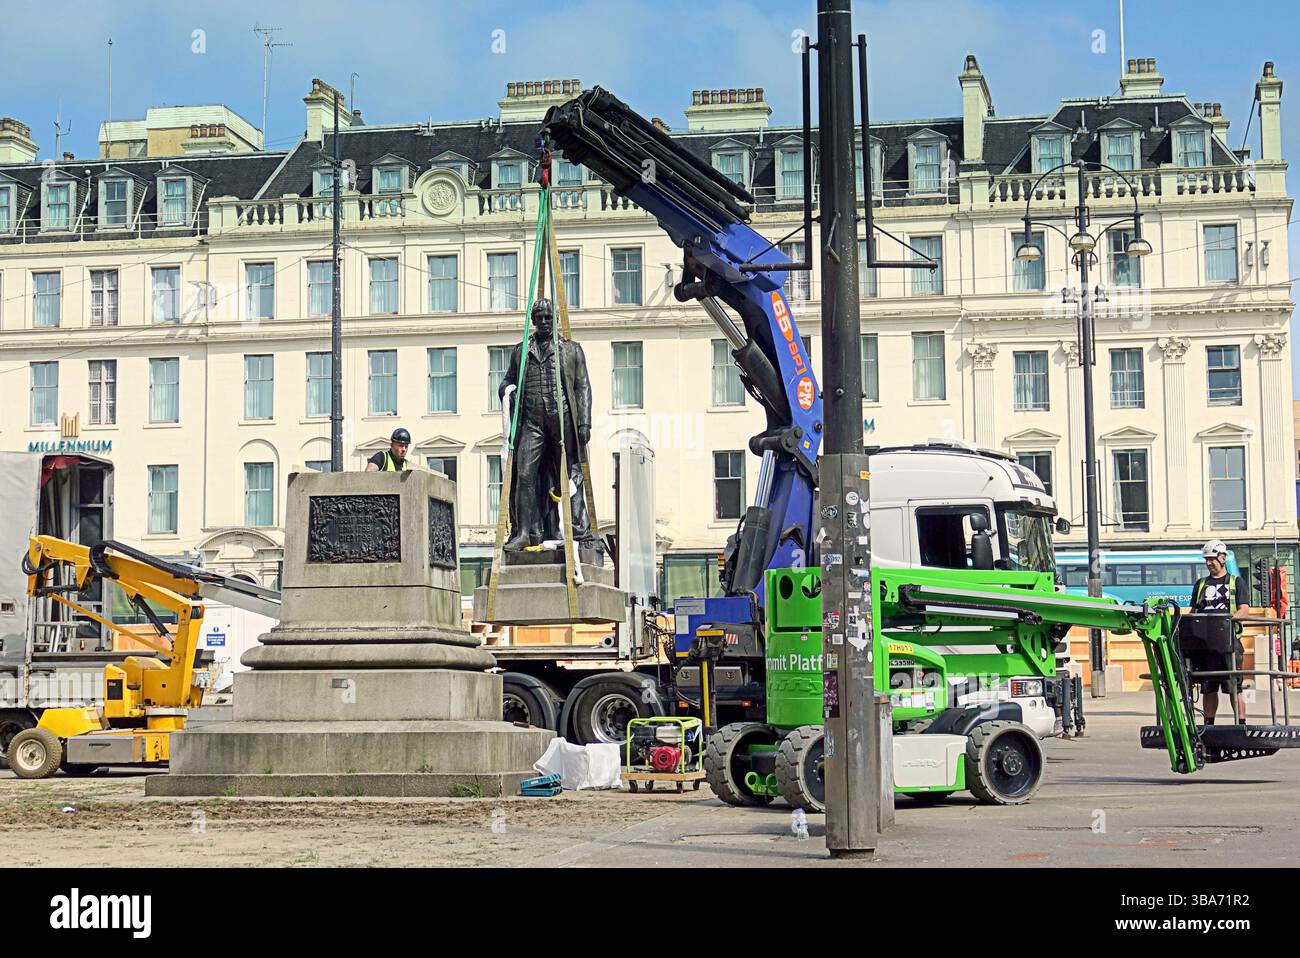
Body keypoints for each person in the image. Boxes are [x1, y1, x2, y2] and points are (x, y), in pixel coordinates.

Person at [499, 298, 592, 551]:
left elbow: (582, 386)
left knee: (570, 475)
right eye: (538, 317)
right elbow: (506, 381)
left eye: (547, 318)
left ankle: (578, 529)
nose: (542, 322)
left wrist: (584, 422)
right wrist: (508, 390)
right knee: (525, 474)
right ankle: (525, 532)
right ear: (532, 321)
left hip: (561, 418)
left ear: (555, 320)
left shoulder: (571, 349)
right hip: (533, 422)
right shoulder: (520, 351)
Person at [1187, 539, 1249, 724]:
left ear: (1222, 558)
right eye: (1206, 559)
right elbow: (1193, 611)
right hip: (1205, 645)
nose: (1208, 563)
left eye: (1212, 559)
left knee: (1234, 687)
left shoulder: (1236, 582)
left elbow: (1244, 609)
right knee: (1208, 686)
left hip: (1228, 643)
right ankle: (1209, 725)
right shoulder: (1200, 584)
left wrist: (1229, 620)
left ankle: (1241, 725)